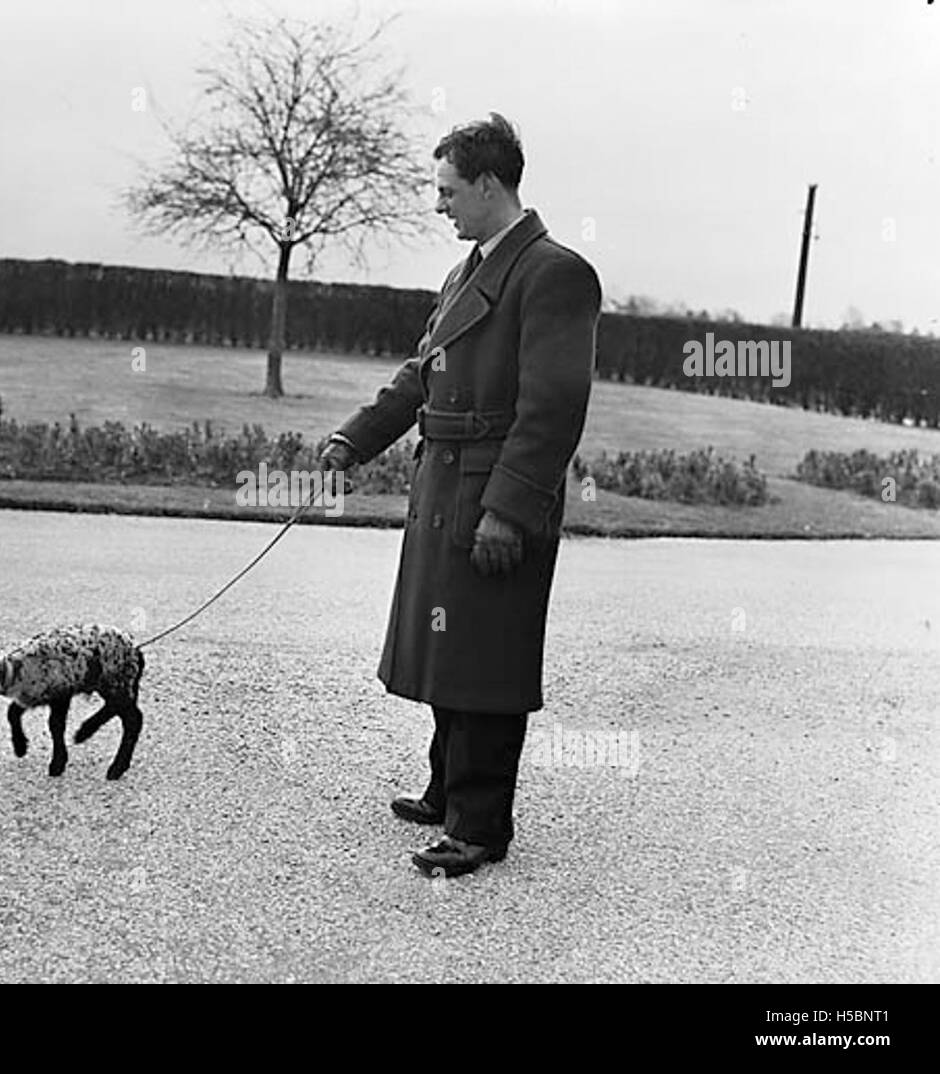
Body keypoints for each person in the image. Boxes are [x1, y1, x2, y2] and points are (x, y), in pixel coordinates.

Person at [319, 113, 601, 878]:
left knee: (486, 661)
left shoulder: (554, 272)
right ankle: (448, 789)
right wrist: (356, 437)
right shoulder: (467, 270)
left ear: (487, 184)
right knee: (450, 649)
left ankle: (480, 827)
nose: (439, 205)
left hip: (494, 499)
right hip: (446, 486)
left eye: (447, 191)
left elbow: (552, 409)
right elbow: (421, 373)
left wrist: (509, 509)